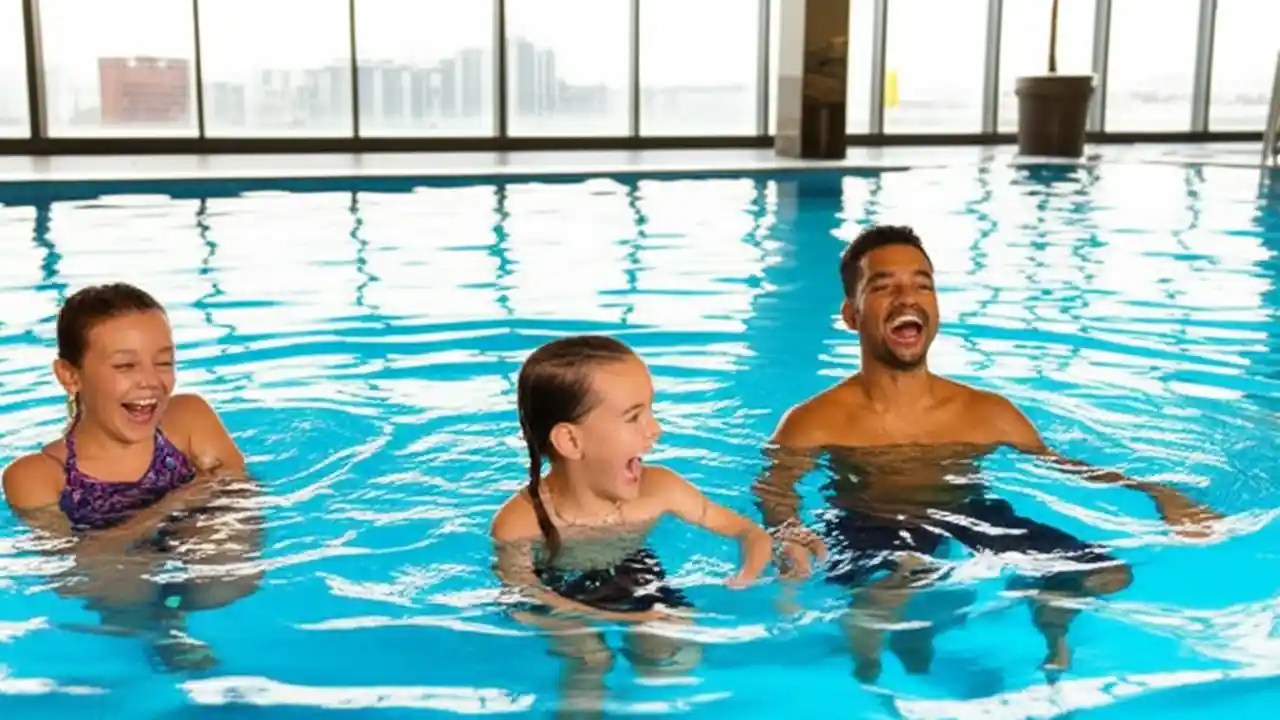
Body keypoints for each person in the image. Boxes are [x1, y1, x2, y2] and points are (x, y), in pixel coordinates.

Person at [752, 225, 1222, 680]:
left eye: (922, 285)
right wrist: (790, 534)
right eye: (883, 286)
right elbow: (776, 490)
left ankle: (1051, 607)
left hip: (971, 513)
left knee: (1108, 574)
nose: (907, 297)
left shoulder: (986, 412)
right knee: (899, 582)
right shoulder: (814, 420)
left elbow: (1063, 466)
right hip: (870, 521)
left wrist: (1159, 492)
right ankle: (870, 670)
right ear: (852, 315)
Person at [491, 335, 772, 717]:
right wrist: (622, 618)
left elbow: (747, 531)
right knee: (589, 659)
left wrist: (747, 574)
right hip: (556, 588)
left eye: (650, 411)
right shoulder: (518, 523)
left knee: (671, 649)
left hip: (632, 568)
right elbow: (525, 594)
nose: (655, 429)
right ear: (571, 440)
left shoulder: (660, 489)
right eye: (634, 416)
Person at [1, 282, 262, 671]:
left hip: (184, 544)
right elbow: (71, 573)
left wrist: (198, 522)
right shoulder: (37, 476)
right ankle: (160, 629)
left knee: (228, 577)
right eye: (125, 366)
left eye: (164, 362)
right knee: (120, 584)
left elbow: (241, 492)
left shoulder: (187, 419)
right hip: (121, 578)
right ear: (70, 376)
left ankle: (173, 603)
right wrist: (170, 507)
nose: (151, 381)